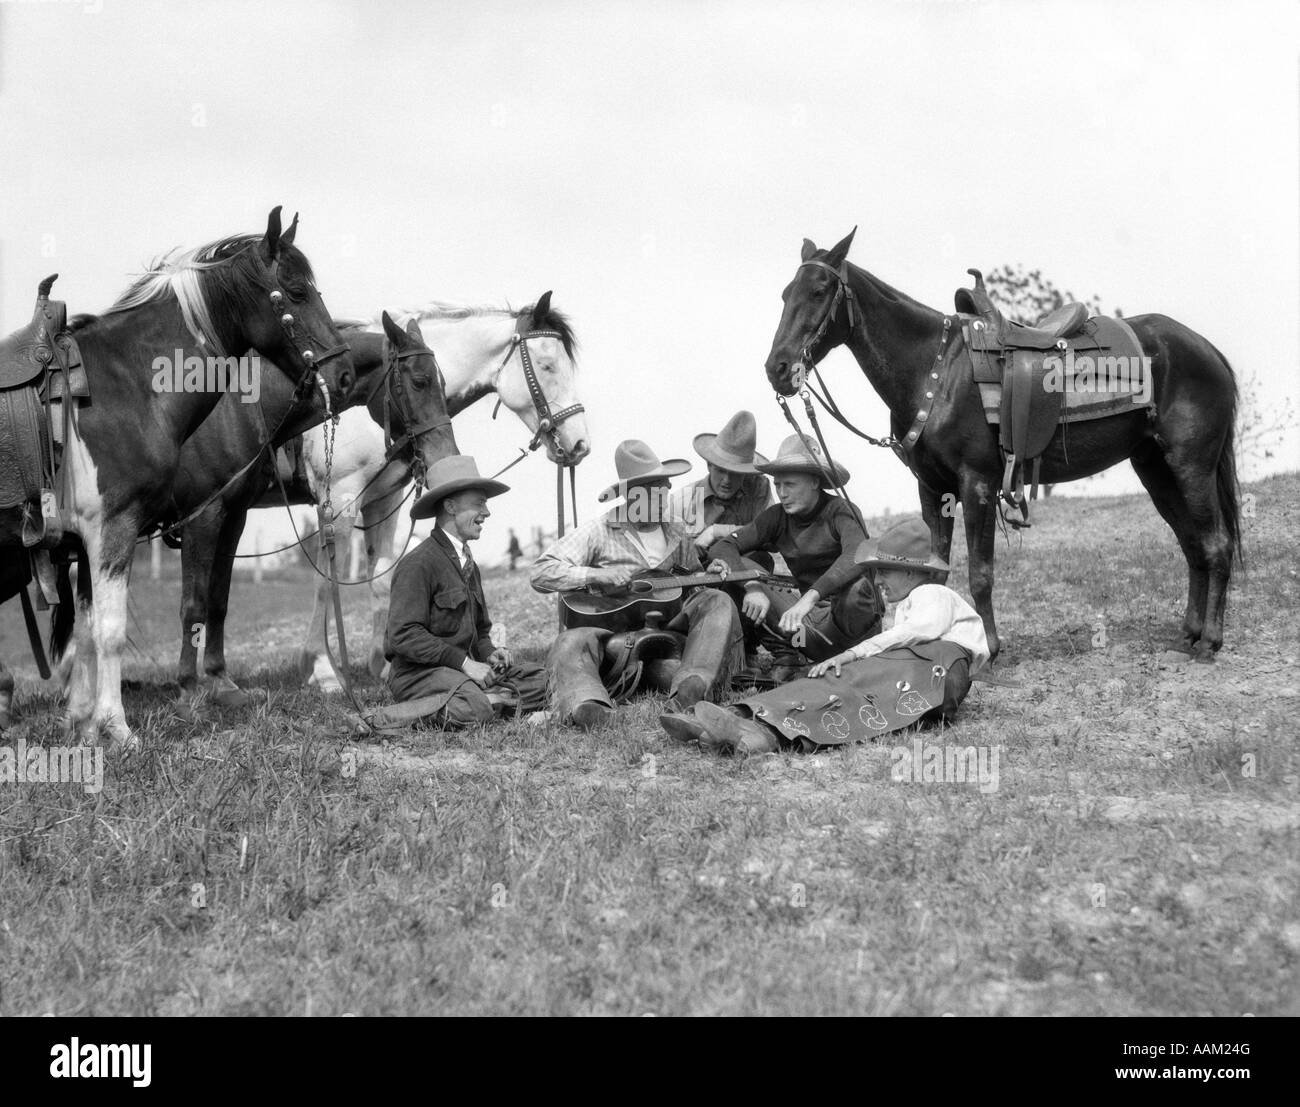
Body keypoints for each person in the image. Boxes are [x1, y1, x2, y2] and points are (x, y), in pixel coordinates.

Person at [661, 517, 990, 754]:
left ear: (909, 571)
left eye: (885, 571)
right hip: (922, 672)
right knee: (840, 686)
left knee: (844, 682)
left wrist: (850, 654)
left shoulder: (932, 593)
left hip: (938, 672)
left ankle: (755, 724)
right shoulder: (910, 603)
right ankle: (745, 721)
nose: (878, 582)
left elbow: (917, 632)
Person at [530, 439, 744, 729]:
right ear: (630, 496)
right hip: (610, 637)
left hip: (667, 633)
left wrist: (708, 576)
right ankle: (587, 706)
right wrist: (594, 575)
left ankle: (692, 691)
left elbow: (691, 582)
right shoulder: (600, 530)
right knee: (569, 642)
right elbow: (541, 572)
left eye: (663, 491)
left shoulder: (676, 531)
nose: (662, 499)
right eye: (652, 493)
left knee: (717, 601)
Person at [374, 455, 546, 731]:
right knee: (472, 705)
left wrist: (489, 653)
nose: (487, 512)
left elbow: (480, 629)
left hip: (462, 672)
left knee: (542, 678)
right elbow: (403, 635)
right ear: (451, 506)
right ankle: (388, 717)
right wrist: (465, 663)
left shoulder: (469, 564)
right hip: (419, 675)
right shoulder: (418, 563)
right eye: (479, 503)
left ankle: (491, 700)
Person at [706, 433, 882, 667]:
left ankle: (850, 658)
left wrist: (809, 597)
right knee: (742, 566)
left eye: (790, 484)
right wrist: (751, 587)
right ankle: (787, 654)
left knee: (857, 589)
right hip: (809, 628)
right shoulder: (777, 517)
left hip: (856, 630)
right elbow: (724, 546)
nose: (782, 493)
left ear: (815, 482)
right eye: (777, 485)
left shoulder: (841, 510)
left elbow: (857, 555)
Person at [665, 410, 775, 557]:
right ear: (709, 465)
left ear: (746, 472)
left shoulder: (759, 489)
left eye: (735, 473)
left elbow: (774, 538)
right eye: (721, 470)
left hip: (749, 570)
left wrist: (717, 531)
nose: (727, 481)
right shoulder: (681, 502)